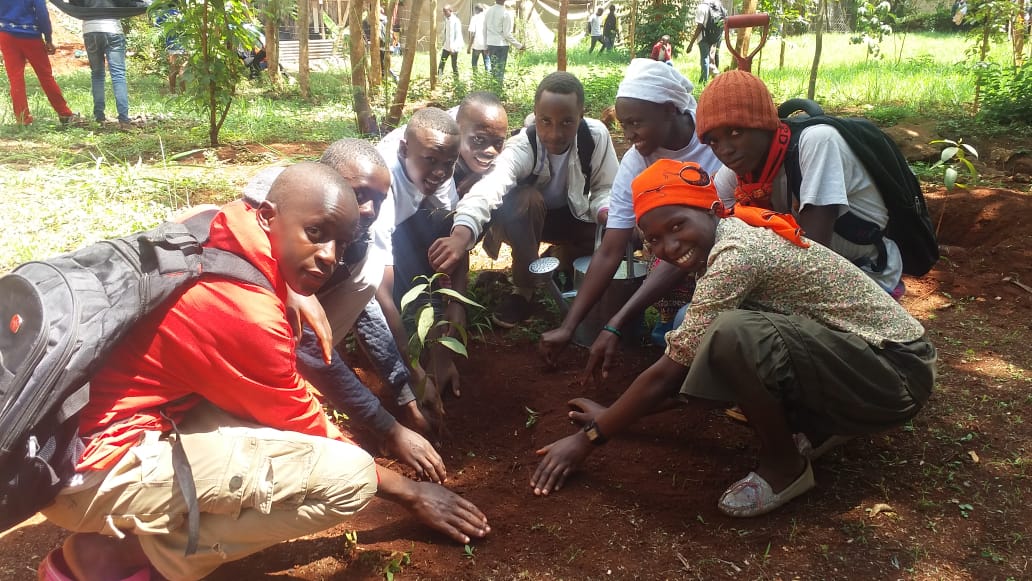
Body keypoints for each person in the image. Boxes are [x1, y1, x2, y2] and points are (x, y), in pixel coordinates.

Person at [37, 163, 490, 581]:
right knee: (351, 476)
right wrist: (410, 492)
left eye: (341, 244)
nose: (330, 255)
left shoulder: (217, 223)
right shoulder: (249, 316)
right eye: (316, 232)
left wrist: (290, 287)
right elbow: (306, 429)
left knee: (252, 423)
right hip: (90, 474)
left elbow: (226, 229)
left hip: (70, 436)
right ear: (269, 216)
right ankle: (123, 560)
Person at [530, 159, 936, 519]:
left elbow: (669, 374)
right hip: (867, 359)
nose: (668, 246)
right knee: (722, 334)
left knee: (732, 333)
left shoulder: (737, 255)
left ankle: (786, 468)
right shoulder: (731, 233)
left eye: (677, 225)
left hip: (896, 373)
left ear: (711, 209)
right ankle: (822, 425)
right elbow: (698, 368)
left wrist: (591, 437)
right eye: (653, 239)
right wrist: (615, 413)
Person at [242, 140, 445, 480]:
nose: (369, 209)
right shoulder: (275, 214)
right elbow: (307, 339)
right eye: (359, 194)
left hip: (271, 333)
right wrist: (388, 428)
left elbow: (362, 305)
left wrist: (406, 395)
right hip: (240, 342)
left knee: (367, 269)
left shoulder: (351, 237)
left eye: (379, 200)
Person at [540, 58, 721, 375]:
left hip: (730, 247)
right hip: (682, 252)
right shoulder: (637, 161)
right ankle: (671, 332)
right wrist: (570, 326)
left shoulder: (714, 139)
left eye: (636, 123)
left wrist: (617, 321)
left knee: (691, 328)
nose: (629, 134)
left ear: (669, 110)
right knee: (675, 317)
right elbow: (610, 249)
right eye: (624, 125)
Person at [429, 72, 618, 328]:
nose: (554, 133)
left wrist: (605, 210)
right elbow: (490, 188)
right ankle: (523, 290)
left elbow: (605, 187)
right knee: (528, 199)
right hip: (522, 220)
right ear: (535, 115)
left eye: (566, 123)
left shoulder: (595, 137)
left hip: (571, 214)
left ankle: (560, 258)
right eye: (546, 121)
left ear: (581, 116)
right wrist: (461, 235)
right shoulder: (523, 145)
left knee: (618, 230)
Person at [696, 70, 906, 298]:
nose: (725, 149)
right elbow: (717, 237)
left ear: (764, 124)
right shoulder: (735, 174)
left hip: (863, 276)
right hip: (796, 278)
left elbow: (814, 253)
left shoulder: (817, 143)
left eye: (736, 132)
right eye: (713, 141)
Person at [373, 108, 469, 401]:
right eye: (431, 160)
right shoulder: (381, 183)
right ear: (404, 149)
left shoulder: (438, 169)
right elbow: (378, 287)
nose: (440, 172)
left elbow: (453, 237)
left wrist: (455, 312)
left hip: (402, 222)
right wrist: (414, 371)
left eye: (448, 163)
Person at [0, 0, 80, 126]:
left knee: (15, 79)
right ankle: (65, 114)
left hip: (6, 35)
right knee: (45, 76)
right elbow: (42, 12)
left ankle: (22, 119)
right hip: (30, 36)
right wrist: (48, 38)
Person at [81, 5, 131, 130]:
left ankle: (99, 117)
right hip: (112, 28)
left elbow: (75, 5)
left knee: (97, 75)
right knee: (118, 75)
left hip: (90, 29)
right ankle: (124, 120)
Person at [484, 0, 524, 85]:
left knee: (494, 69)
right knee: (500, 70)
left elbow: (484, 29)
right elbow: (506, 34)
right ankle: (498, 91)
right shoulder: (505, 13)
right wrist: (519, 45)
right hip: (501, 45)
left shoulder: (489, 11)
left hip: (491, 44)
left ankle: (494, 90)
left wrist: (485, 46)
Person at [687, 0, 724, 82]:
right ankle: (716, 79)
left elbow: (699, 26)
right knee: (712, 58)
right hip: (716, 37)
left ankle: (703, 81)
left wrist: (691, 44)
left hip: (703, 37)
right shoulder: (717, 5)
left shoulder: (702, 7)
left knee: (705, 59)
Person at [438, 4, 464, 76]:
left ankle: (456, 81)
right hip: (446, 46)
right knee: (442, 63)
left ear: (450, 11)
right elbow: (446, 32)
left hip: (454, 47)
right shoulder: (447, 19)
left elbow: (456, 35)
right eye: (443, 12)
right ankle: (439, 78)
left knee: (454, 64)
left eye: (446, 12)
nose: (444, 14)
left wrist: (453, 47)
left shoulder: (455, 21)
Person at [468, 4, 490, 72]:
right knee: (487, 63)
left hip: (477, 45)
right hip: (486, 44)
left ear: (476, 10)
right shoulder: (487, 18)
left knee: (474, 63)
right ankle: (488, 79)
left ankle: (475, 79)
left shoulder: (474, 18)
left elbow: (473, 34)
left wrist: (469, 47)